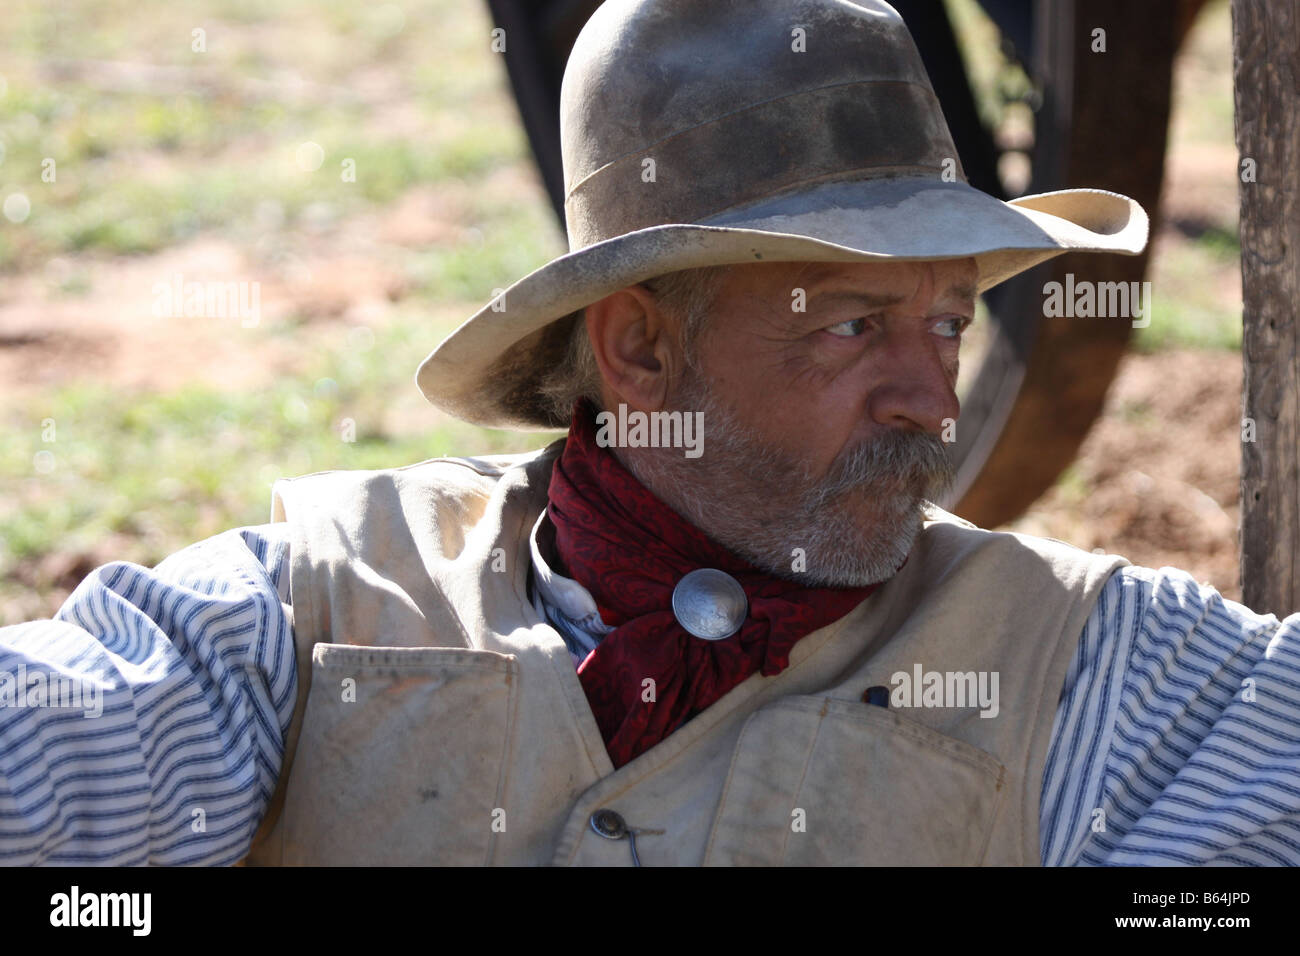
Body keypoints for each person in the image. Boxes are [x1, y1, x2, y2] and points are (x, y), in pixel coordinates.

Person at [2, 0, 1297, 867]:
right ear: (636, 347)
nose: (931, 403)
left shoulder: (1076, 662)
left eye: (949, 326)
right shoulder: (318, 600)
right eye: (852, 328)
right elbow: (61, 761)